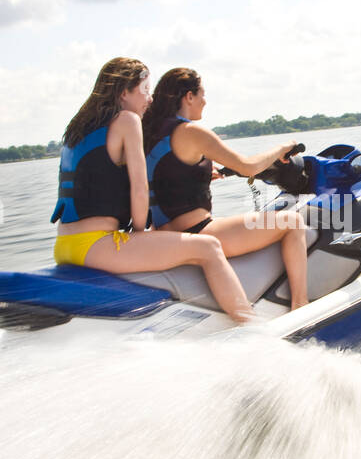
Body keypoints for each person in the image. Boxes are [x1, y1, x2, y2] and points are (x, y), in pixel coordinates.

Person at [51, 57, 253, 323]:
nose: (150, 99)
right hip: (96, 245)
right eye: (145, 90)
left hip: (65, 245)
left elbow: (100, 177)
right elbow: (139, 187)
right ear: (124, 92)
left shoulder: (78, 128)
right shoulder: (127, 120)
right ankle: (251, 327)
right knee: (209, 248)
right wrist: (138, 235)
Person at [142, 67, 309, 309]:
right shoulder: (190, 131)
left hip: (163, 235)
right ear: (188, 96)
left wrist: (199, 176)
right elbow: (247, 166)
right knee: (293, 223)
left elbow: (165, 174)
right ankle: (300, 305)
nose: (205, 101)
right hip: (199, 231)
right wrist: (282, 148)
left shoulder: (152, 133)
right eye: (202, 94)